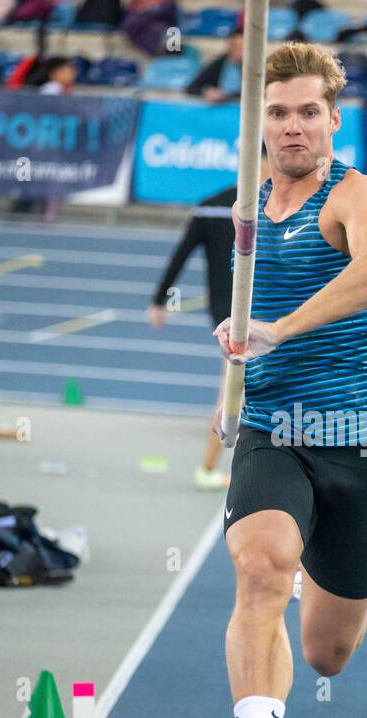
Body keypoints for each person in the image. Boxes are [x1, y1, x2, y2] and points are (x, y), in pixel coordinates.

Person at [211, 41, 367, 718]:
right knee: (261, 569)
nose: (292, 128)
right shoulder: (245, 203)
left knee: (329, 651)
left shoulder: (354, 197)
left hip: (363, 444)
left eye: (307, 113)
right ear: (257, 121)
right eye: (277, 113)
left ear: (332, 120)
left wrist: (279, 330)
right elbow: (240, 323)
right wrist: (230, 375)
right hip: (274, 428)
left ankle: (309, 572)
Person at [148, 153, 272, 491]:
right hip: (235, 313)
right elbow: (182, 251)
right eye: (268, 165)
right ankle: (207, 467)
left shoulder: (272, 207)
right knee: (232, 390)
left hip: (250, 309)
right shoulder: (221, 207)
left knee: (243, 388)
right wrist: (159, 298)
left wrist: (160, 300)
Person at [186, 11, 242, 103]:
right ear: (229, 46)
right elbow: (192, 87)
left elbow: (260, 92)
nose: (239, 52)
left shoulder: (255, 69)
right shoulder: (218, 63)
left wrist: (227, 95)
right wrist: (206, 92)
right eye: (236, 47)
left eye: (242, 48)